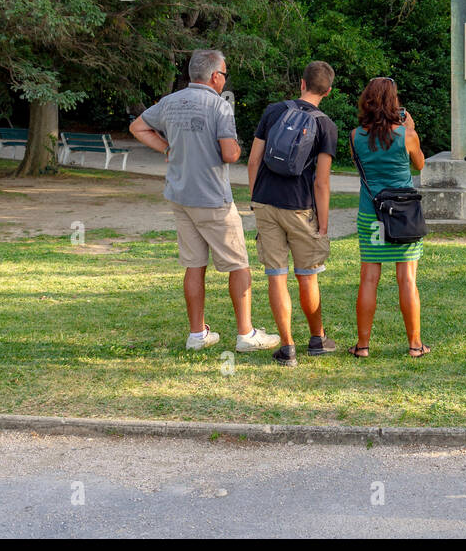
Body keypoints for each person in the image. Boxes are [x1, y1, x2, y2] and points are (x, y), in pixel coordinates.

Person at [129, 50, 279, 353]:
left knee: (194, 265)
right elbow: (229, 154)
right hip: (212, 198)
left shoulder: (169, 102)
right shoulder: (219, 107)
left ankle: (197, 334)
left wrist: (166, 148)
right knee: (238, 264)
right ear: (214, 76)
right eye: (224, 73)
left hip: (180, 195)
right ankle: (246, 334)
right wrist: (237, 149)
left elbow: (137, 127)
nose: (225, 79)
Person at [246, 60, 339, 367]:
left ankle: (287, 347)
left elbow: (253, 161)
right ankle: (317, 339)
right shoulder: (326, 125)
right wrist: (323, 220)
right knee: (307, 275)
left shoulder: (273, 112)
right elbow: (321, 181)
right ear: (327, 91)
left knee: (276, 275)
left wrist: (255, 198)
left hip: (266, 203)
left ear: (302, 83)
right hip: (301, 207)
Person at [350, 77, 429, 357]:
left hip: (371, 214)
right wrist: (410, 127)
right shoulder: (406, 135)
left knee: (369, 278)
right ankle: (415, 345)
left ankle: (362, 346)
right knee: (406, 279)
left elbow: (362, 166)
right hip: (403, 214)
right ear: (393, 103)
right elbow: (419, 163)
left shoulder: (355, 135)